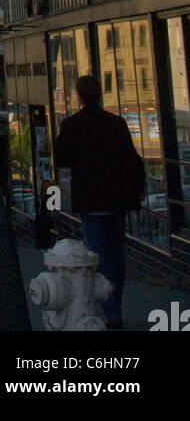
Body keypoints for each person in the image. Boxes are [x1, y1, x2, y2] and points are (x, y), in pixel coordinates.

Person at [54, 75, 146, 330]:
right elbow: (132, 159)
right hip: (116, 199)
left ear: (79, 96)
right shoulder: (116, 123)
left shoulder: (72, 125)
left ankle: (109, 308)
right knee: (115, 256)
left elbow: (61, 158)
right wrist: (137, 189)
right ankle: (114, 306)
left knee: (98, 255)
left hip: (90, 200)